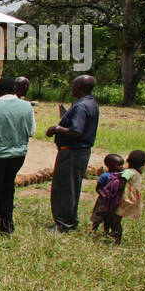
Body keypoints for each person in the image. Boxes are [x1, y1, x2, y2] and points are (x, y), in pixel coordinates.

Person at [0, 76, 36, 234]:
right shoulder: (27, 107)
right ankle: (7, 225)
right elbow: (31, 131)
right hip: (18, 156)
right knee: (8, 188)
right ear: (15, 89)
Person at [46, 75, 100, 233]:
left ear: (80, 87)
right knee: (72, 186)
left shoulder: (82, 106)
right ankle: (70, 219)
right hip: (79, 152)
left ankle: (64, 223)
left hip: (72, 152)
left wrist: (56, 128)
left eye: (74, 85)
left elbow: (76, 131)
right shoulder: (91, 103)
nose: (72, 88)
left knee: (64, 187)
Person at [91, 152, 126, 242]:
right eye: (119, 165)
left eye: (122, 165)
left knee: (109, 217)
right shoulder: (105, 176)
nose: (122, 167)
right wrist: (104, 196)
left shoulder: (120, 176)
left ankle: (106, 231)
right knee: (98, 216)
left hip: (113, 201)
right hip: (104, 200)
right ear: (110, 165)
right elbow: (98, 188)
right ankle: (94, 229)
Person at [117, 149, 145, 237]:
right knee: (119, 216)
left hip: (125, 197)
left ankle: (116, 236)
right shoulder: (138, 173)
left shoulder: (128, 172)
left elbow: (122, 181)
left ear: (127, 160)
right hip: (133, 197)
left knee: (116, 217)